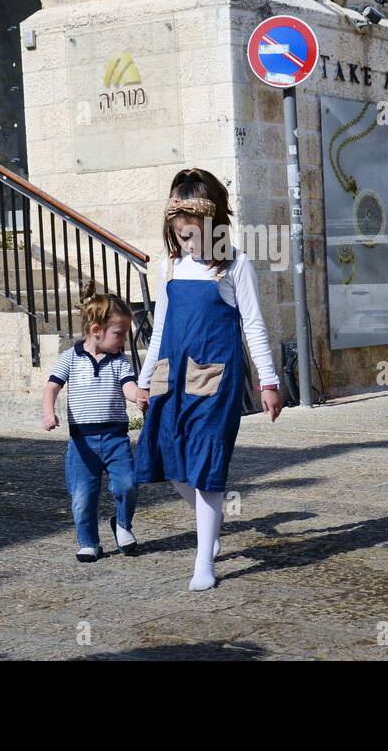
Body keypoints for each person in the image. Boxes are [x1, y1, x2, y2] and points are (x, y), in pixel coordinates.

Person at [136, 169, 283, 591]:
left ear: (215, 225)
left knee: (205, 464)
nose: (188, 242)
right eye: (181, 235)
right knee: (168, 456)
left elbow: (253, 326)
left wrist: (268, 382)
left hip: (215, 375)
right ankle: (210, 527)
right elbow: (160, 327)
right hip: (169, 372)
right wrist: (146, 379)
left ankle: (204, 560)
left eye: (194, 234)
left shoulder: (235, 266)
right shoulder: (171, 266)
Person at [42, 282, 142, 562]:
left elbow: (128, 387)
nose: (123, 340)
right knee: (82, 496)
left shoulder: (119, 361)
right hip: (81, 443)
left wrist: (138, 397)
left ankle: (122, 524)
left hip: (115, 438)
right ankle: (88, 542)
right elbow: (51, 387)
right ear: (96, 330)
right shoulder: (69, 359)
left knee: (127, 484)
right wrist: (48, 412)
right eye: (119, 334)